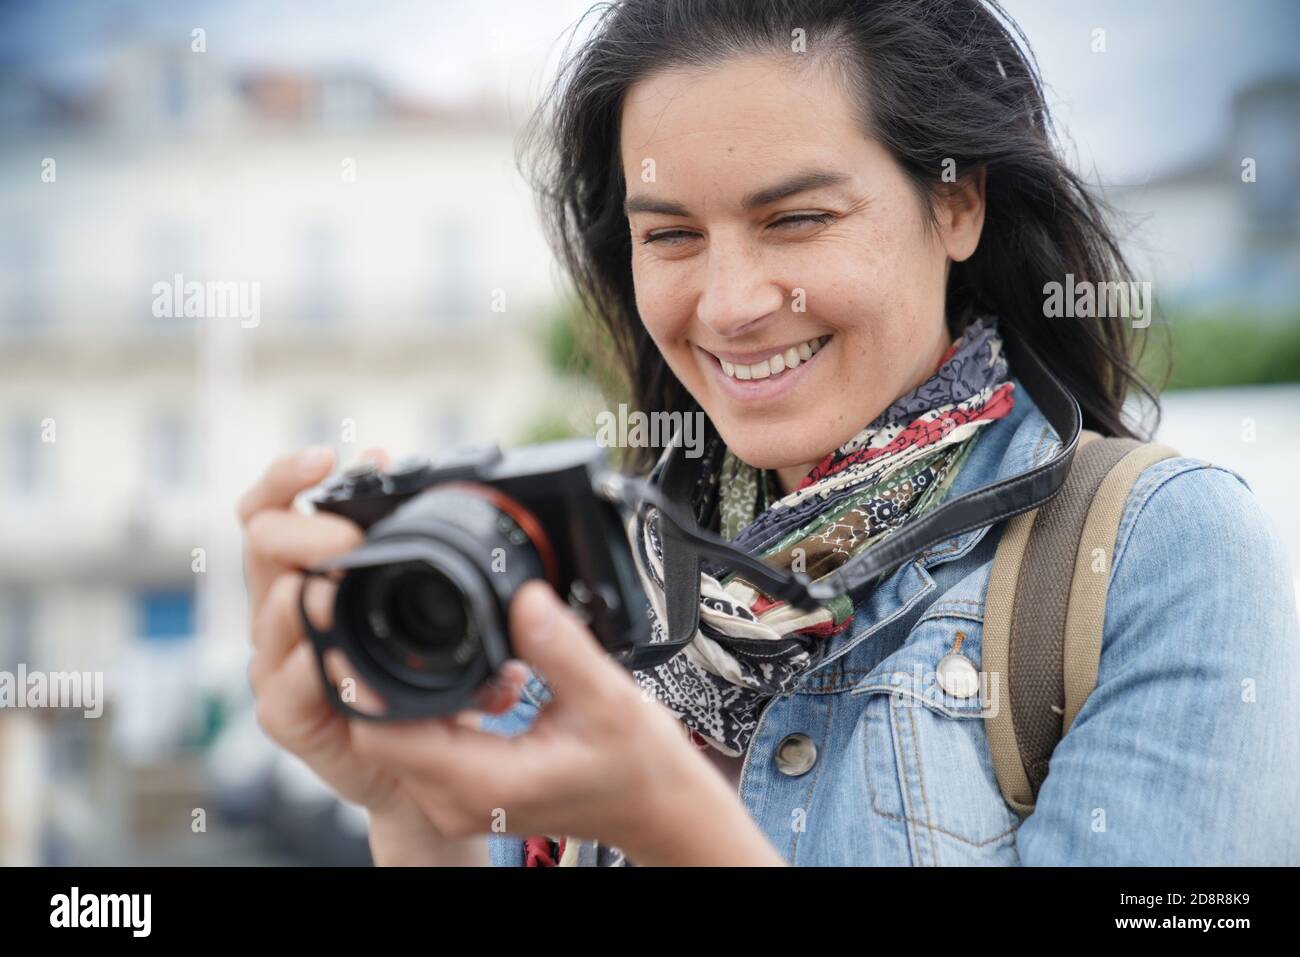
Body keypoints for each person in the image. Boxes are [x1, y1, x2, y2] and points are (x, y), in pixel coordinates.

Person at [237, 0, 1300, 866]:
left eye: (795, 219)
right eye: (671, 236)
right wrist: (412, 808)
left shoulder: (1161, 552)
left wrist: (674, 830)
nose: (731, 303)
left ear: (957, 205)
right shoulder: (601, 580)